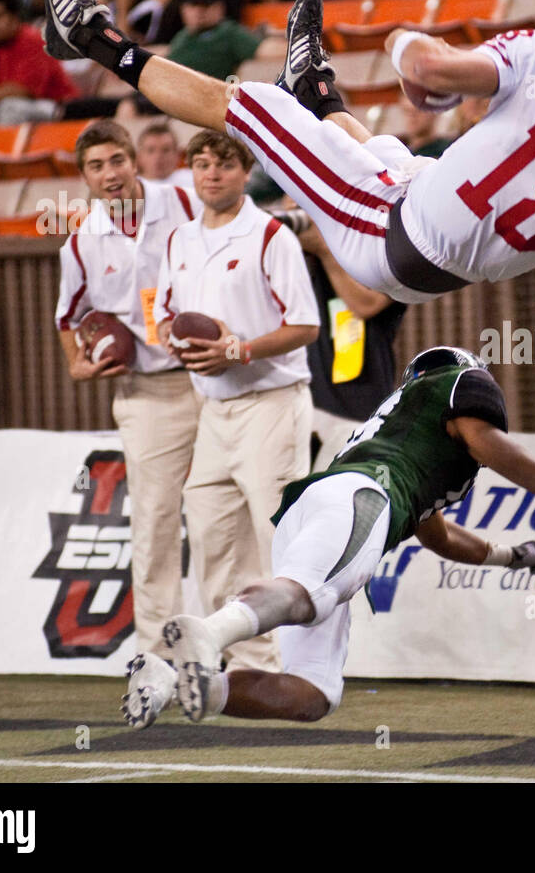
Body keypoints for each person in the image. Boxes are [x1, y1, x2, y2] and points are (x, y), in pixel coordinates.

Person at [40, 0, 535, 437]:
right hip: (429, 251)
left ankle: (93, 37)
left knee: (249, 107)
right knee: (385, 150)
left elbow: (425, 64)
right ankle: (316, 89)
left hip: (387, 233)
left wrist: (409, 58)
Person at [122, 346, 535, 727]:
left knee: (312, 695)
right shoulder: (457, 384)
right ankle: (209, 634)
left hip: (327, 507)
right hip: (362, 501)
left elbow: (439, 538)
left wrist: (512, 555)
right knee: (306, 597)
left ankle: (180, 687)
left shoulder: (409, 437)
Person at [155, 129, 321, 673]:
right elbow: (164, 316)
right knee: (209, 536)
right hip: (213, 409)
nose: (211, 173)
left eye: (223, 164)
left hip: (270, 404)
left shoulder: (272, 236)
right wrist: (174, 341)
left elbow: (306, 326)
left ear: (245, 172)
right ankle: (233, 662)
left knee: (278, 539)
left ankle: (295, 666)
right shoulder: (179, 240)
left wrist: (239, 349)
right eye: (201, 163)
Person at [54, 120, 202, 661]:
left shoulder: (185, 202)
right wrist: (76, 364)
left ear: (134, 160)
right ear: (85, 177)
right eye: (96, 166)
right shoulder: (80, 240)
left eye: (117, 160)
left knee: (223, 514)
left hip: (216, 381)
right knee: (155, 521)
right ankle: (160, 656)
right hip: (145, 393)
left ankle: (241, 645)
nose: (109, 174)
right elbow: (67, 315)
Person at [296, 214, 406, 473]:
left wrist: (325, 250)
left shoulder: (385, 250)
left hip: (357, 402)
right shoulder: (294, 255)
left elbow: (365, 304)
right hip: (303, 400)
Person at [165, 0, 262, 82]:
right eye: (194, 5)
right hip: (176, 87)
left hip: (211, 90)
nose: (199, 11)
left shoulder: (228, 32)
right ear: (183, 9)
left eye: (206, 5)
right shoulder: (182, 35)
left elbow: (262, 50)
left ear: (219, 8)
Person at [136, 122, 194, 188]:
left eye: (165, 150)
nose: (158, 156)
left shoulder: (194, 179)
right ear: (139, 156)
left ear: (177, 154)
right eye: (151, 150)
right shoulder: (131, 187)